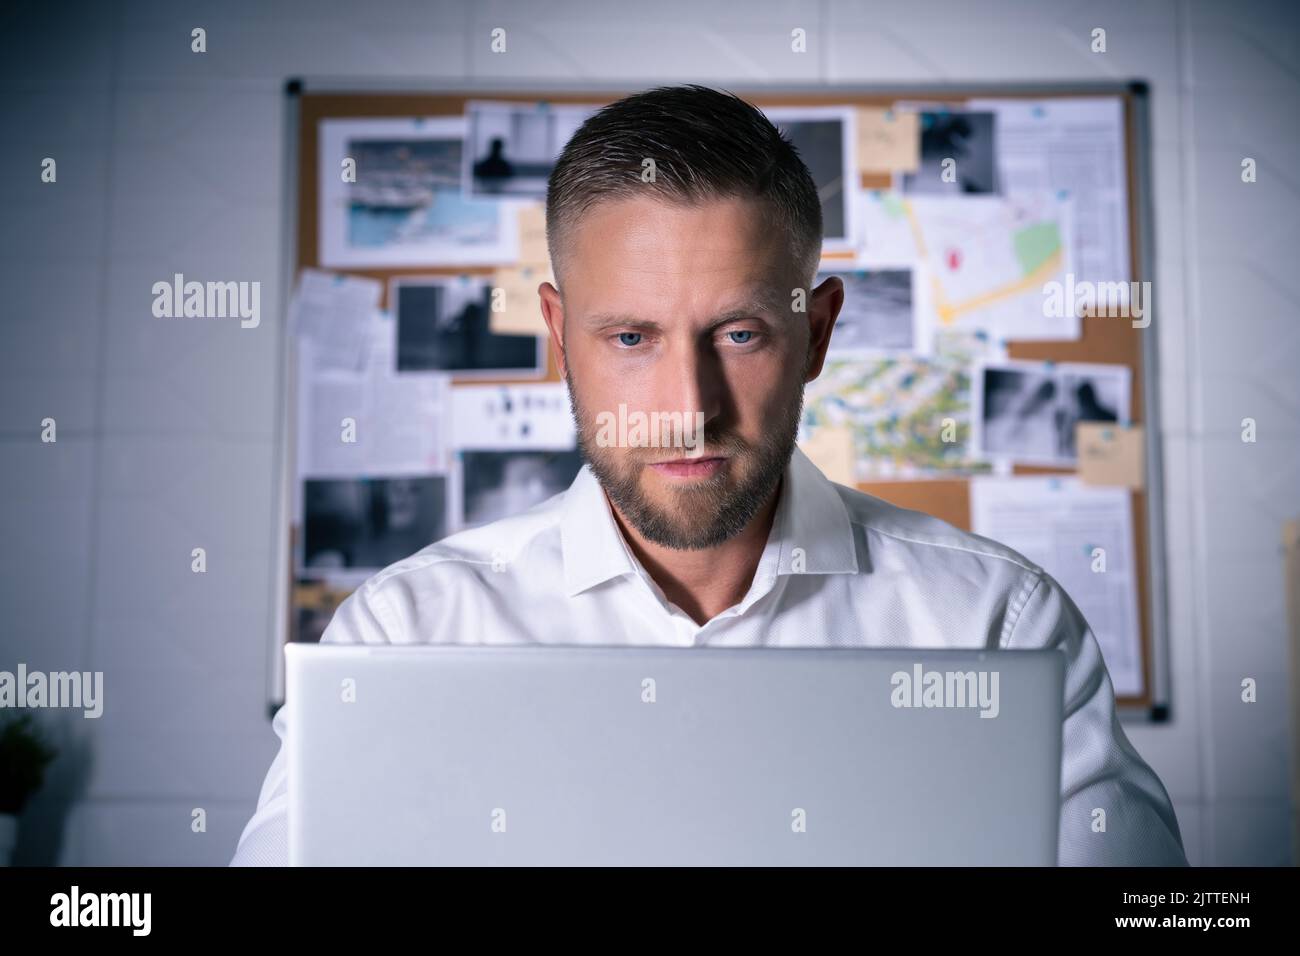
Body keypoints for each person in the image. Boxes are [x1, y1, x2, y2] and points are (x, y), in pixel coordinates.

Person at [232, 85, 1186, 866]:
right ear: (561, 334)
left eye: (739, 334)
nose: (687, 403)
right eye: (632, 337)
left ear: (815, 333)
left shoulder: (998, 632)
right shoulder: (404, 639)